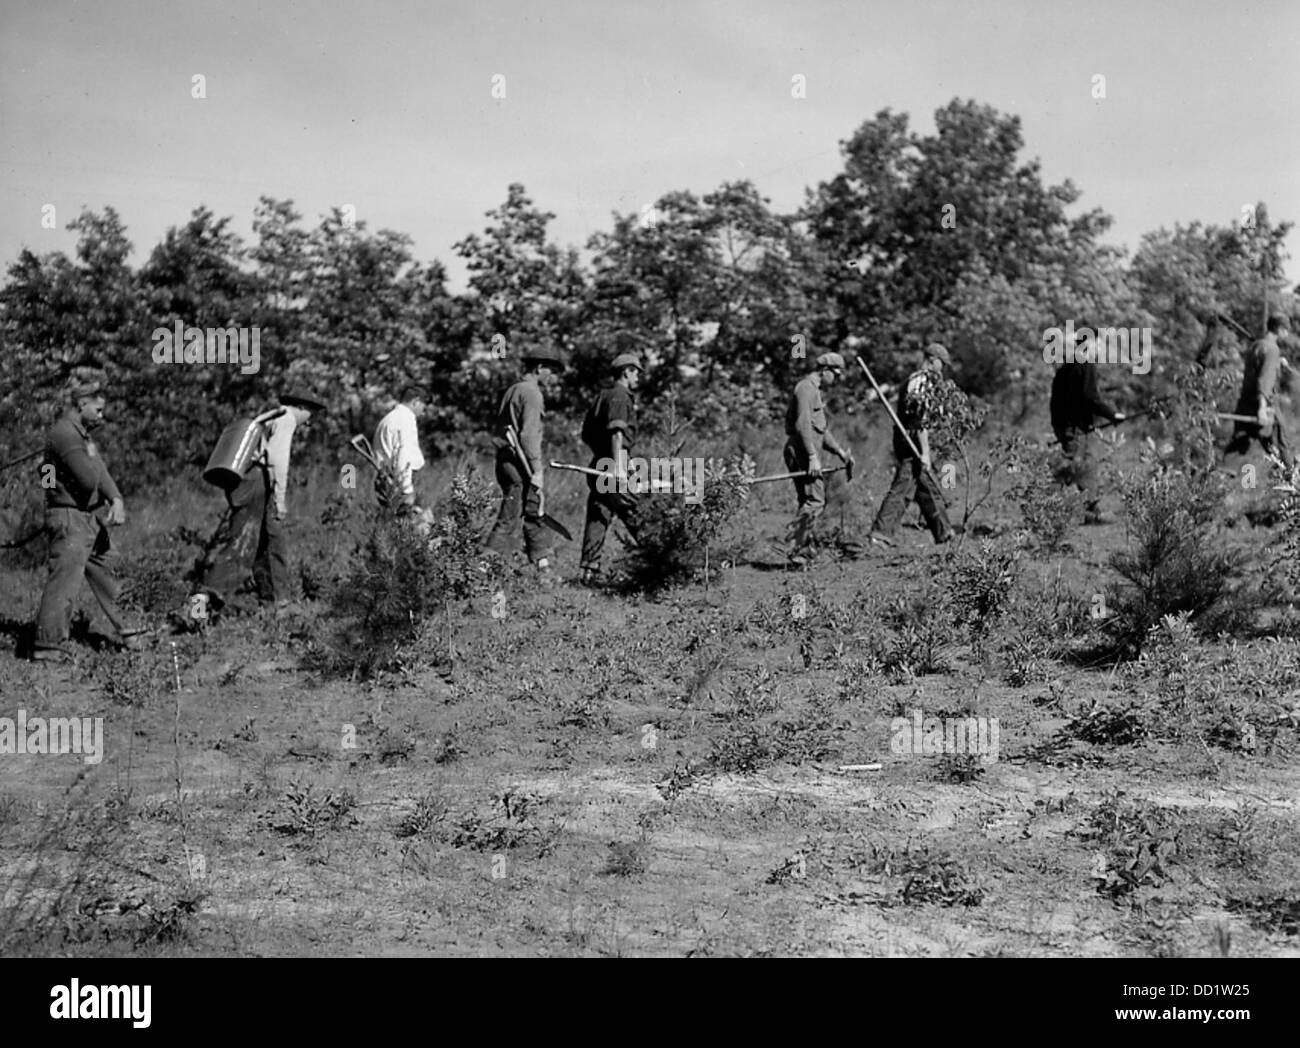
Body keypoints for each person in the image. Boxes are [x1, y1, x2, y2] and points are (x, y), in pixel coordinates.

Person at [33, 377, 146, 662]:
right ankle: (49, 647)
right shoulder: (66, 435)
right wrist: (91, 454)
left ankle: (135, 631)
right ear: (82, 404)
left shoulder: (79, 435)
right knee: (65, 581)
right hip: (70, 518)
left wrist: (116, 497)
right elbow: (88, 479)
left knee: (112, 571)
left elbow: (99, 472)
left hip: (87, 517)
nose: (102, 415)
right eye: (98, 410)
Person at [194, 388, 326, 616]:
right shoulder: (286, 419)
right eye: (311, 415)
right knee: (240, 546)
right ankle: (197, 606)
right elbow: (277, 461)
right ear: (302, 408)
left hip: (249, 479)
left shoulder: (270, 415)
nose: (309, 422)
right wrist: (280, 499)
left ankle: (277, 602)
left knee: (270, 539)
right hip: (256, 479)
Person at [484, 347, 563, 574]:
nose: (552, 376)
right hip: (518, 464)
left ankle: (543, 566)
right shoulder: (532, 393)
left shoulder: (514, 389)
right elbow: (527, 436)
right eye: (551, 371)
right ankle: (480, 571)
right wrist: (537, 471)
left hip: (509, 461)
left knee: (533, 511)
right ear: (539, 368)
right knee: (509, 518)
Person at [869, 342, 956, 546]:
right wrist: (925, 452)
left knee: (926, 488)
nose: (942, 368)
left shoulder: (920, 380)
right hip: (911, 439)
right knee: (903, 487)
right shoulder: (920, 381)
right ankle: (880, 534)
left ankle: (944, 532)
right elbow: (919, 420)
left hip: (911, 438)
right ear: (933, 360)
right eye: (942, 363)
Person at [577, 352, 644, 585]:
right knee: (635, 510)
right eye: (636, 372)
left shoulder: (602, 396)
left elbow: (586, 434)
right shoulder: (620, 396)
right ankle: (660, 559)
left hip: (599, 463)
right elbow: (617, 433)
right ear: (627, 372)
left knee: (599, 514)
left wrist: (603, 455)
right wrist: (618, 466)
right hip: (615, 465)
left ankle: (589, 569)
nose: (638, 377)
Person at [783, 352, 855, 564]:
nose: (837, 378)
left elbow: (820, 430)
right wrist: (813, 456)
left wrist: (841, 453)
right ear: (825, 371)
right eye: (836, 373)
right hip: (801, 450)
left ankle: (803, 547)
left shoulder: (815, 390)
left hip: (807, 449)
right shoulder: (805, 388)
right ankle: (795, 548)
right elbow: (802, 425)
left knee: (808, 500)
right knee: (815, 500)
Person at [1048, 331, 1126, 525]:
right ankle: (1055, 510)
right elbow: (1089, 397)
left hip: (1066, 425)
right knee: (1079, 466)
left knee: (1080, 465)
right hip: (1074, 427)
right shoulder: (1085, 365)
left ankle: (1087, 510)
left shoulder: (1068, 366)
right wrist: (1112, 414)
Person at [1225, 314, 1292, 469]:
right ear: (1280, 329)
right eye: (1286, 330)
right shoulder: (1272, 349)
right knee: (1282, 444)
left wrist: (1277, 363)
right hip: (1265, 405)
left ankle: (1214, 481)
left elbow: (1260, 370)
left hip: (1246, 401)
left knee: (1241, 443)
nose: (1287, 334)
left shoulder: (1255, 346)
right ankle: (1293, 483)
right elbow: (1265, 379)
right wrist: (1262, 408)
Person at [372, 384, 428, 514]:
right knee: (414, 529)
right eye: (423, 407)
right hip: (398, 487)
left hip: (386, 482)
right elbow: (403, 456)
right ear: (416, 402)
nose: (423, 412)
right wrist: (408, 491)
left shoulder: (389, 418)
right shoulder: (405, 420)